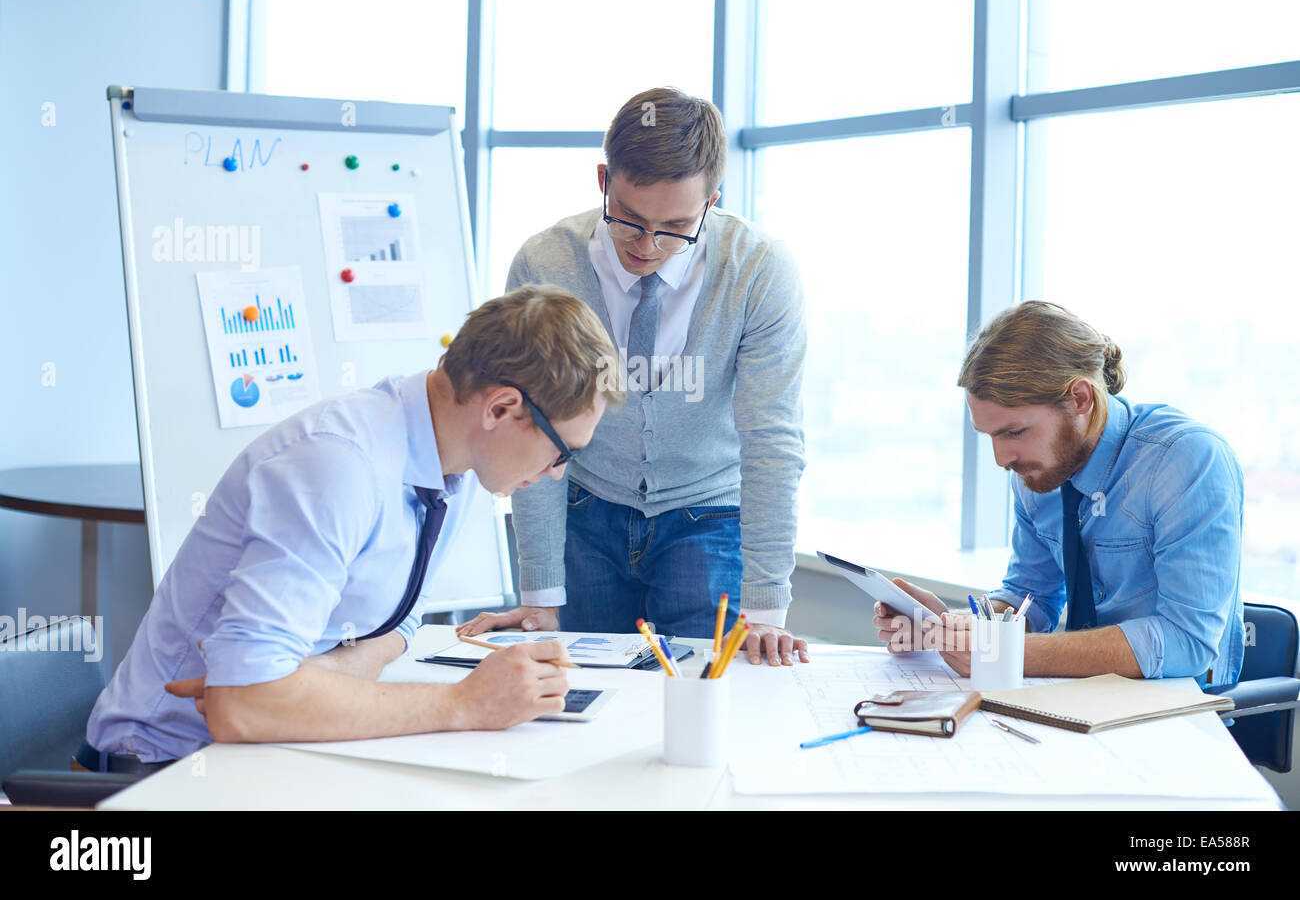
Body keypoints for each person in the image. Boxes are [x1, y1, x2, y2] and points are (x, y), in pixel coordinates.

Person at [79, 285, 621, 772]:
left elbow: (395, 629)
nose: (556, 474)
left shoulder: (451, 468)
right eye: (562, 452)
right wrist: (466, 703)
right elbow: (242, 706)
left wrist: (298, 685)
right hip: (162, 769)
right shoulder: (338, 465)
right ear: (501, 408)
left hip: (272, 752)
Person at [459, 87, 809, 665]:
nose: (647, 246)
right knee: (582, 689)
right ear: (603, 181)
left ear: (712, 201)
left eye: (675, 227)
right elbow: (533, 428)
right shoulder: (545, 264)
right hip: (584, 509)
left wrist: (766, 607)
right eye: (629, 220)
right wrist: (541, 593)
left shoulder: (759, 271)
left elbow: (772, 438)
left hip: (710, 515)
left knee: (703, 692)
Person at [873, 300, 1245, 688]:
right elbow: (1031, 599)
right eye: (991, 436)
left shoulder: (1186, 461)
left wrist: (1006, 653)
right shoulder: (1038, 472)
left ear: (1080, 399)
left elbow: (1189, 642)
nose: (1002, 459)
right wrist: (950, 628)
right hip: (1078, 702)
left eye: (1014, 432)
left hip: (1179, 719)